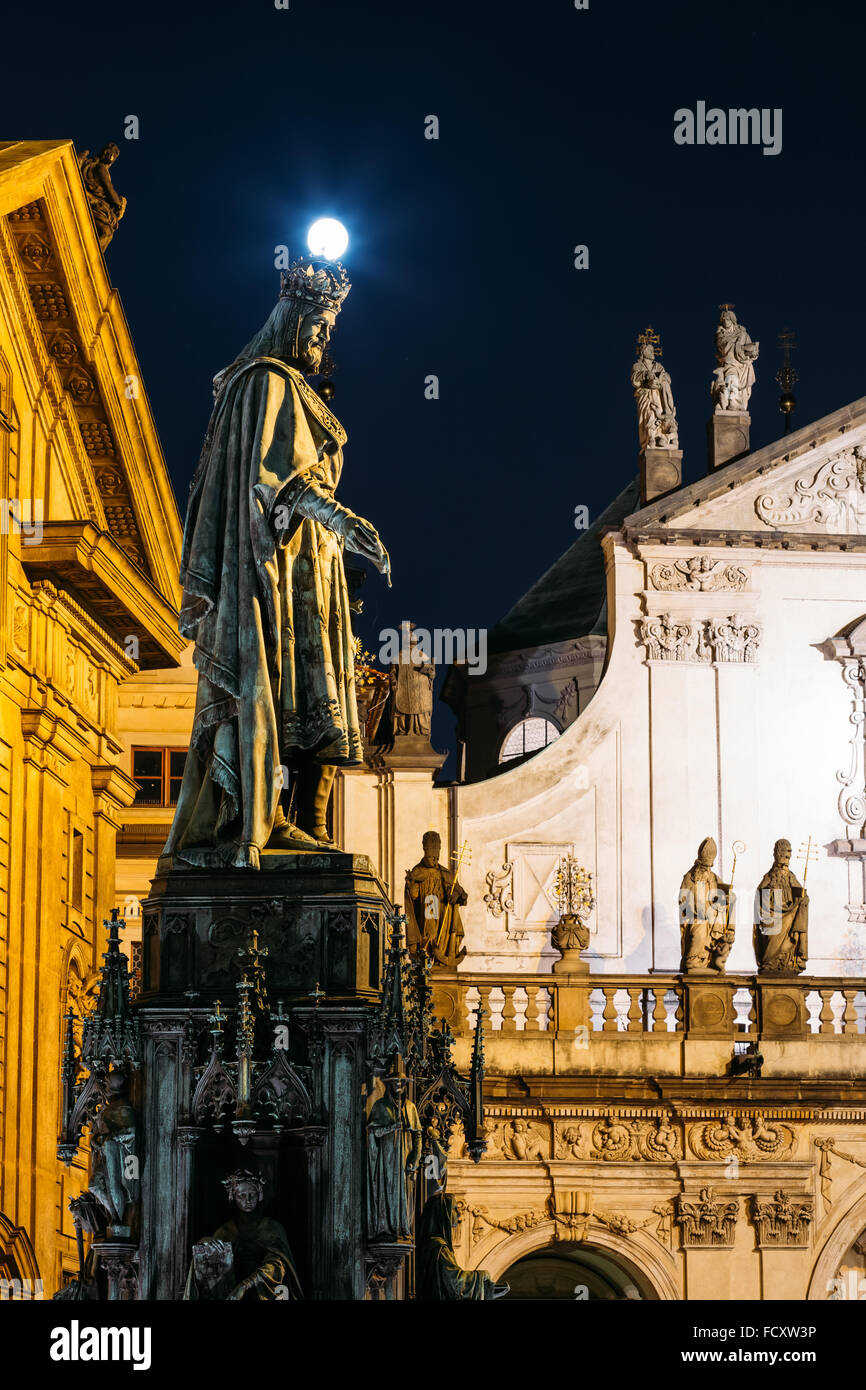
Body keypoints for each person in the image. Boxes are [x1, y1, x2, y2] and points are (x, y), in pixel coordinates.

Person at [162, 255, 389, 869]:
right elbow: (270, 482)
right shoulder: (265, 382)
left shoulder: (283, 388)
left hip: (307, 568)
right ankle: (258, 823)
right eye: (317, 328)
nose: (322, 342)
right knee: (275, 686)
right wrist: (342, 518)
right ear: (291, 323)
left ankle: (294, 822)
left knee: (308, 695)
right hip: (274, 568)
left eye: (327, 332)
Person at [184, 1169, 302, 1300]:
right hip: (231, 1292)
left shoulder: (272, 1228)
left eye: (253, 1194)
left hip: (263, 1293)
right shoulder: (225, 1230)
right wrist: (204, 1243)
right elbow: (212, 1266)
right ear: (233, 1196)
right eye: (242, 1195)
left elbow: (276, 1266)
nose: (248, 1200)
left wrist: (244, 1287)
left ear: (260, 1195)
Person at [416, 1195, 509, 1300]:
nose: (459, 1213)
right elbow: (455, 1283)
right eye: (454, 1209)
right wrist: (483, 1275)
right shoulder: (438, 1247)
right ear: (443, 1213)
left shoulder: (435, 1245)